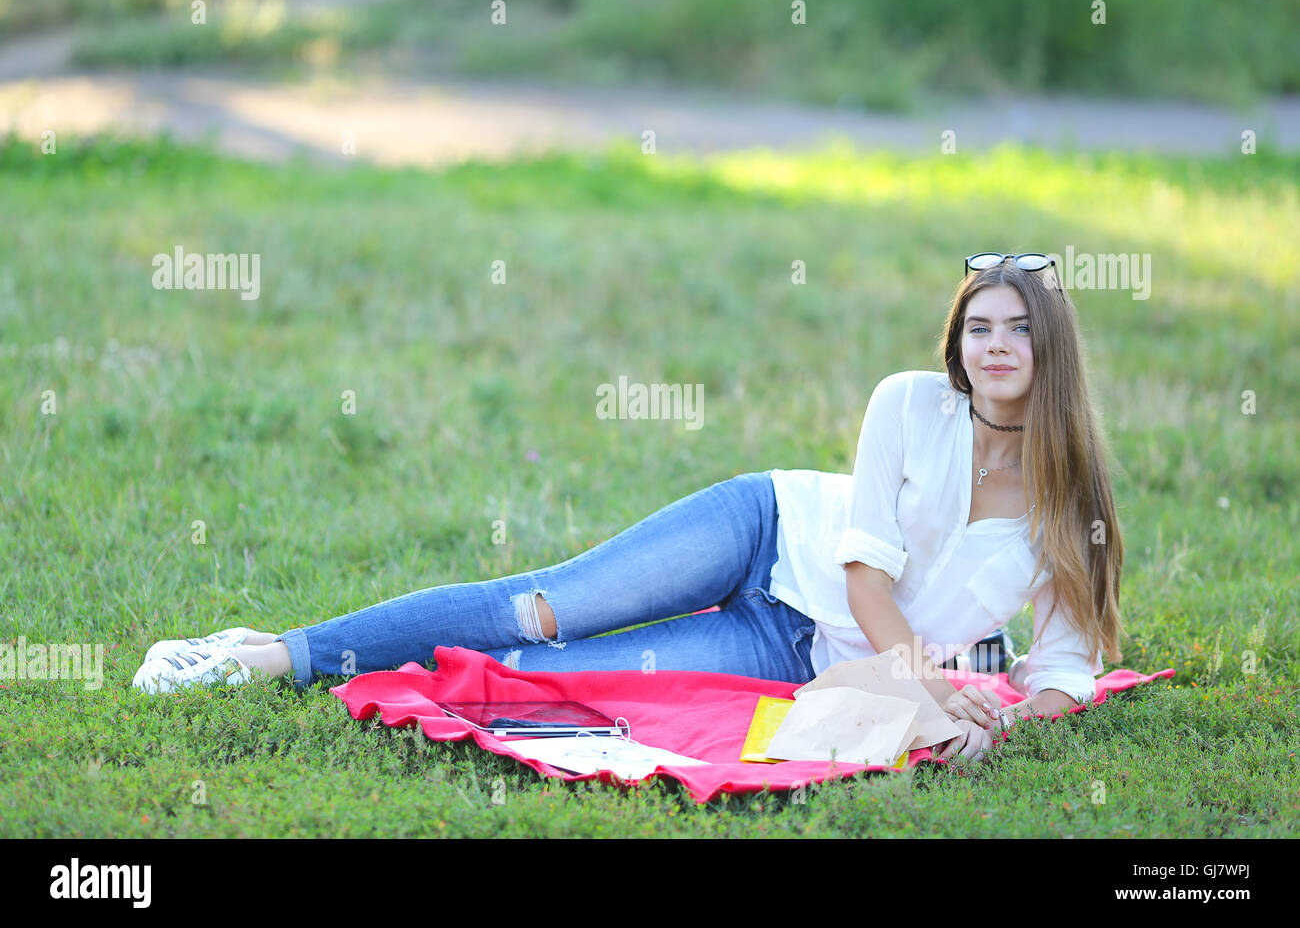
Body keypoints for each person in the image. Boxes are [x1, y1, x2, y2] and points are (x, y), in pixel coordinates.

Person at [133, 252, 1126, 764]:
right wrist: (927, 674)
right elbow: (865, 569)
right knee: (544, 608)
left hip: (799, 656)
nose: (994, 346)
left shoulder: (1068, 499)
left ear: (1052, 349)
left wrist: (1010, 721)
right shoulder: (907, 401)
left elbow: (1070, 657)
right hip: (767, 531)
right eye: (978, 327)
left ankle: (369, 671)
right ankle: (265, 654)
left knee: (548, 679)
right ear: (957, 342)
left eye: (1017, 330)